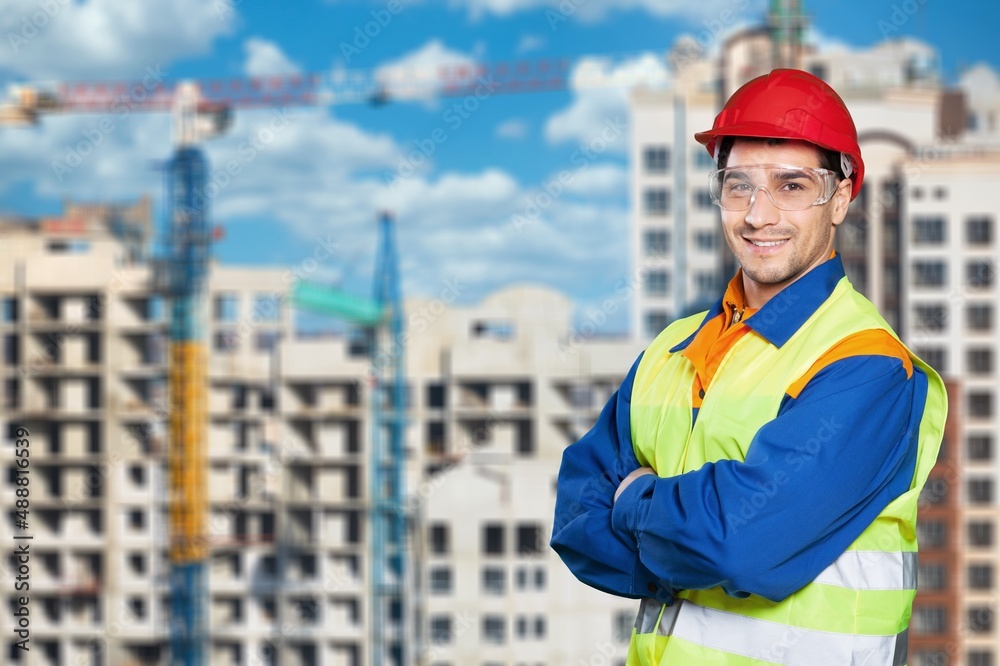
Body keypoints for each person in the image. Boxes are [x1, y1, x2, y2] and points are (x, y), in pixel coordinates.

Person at [550, 68, 948, 665]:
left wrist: (633, 501)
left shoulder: (867, 366)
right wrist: (695, 539)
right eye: (739, 186)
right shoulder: (671, 348)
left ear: (841, 198)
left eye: (791, 186)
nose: (758, 215)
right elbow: (576, 520)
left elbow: (739, 544)